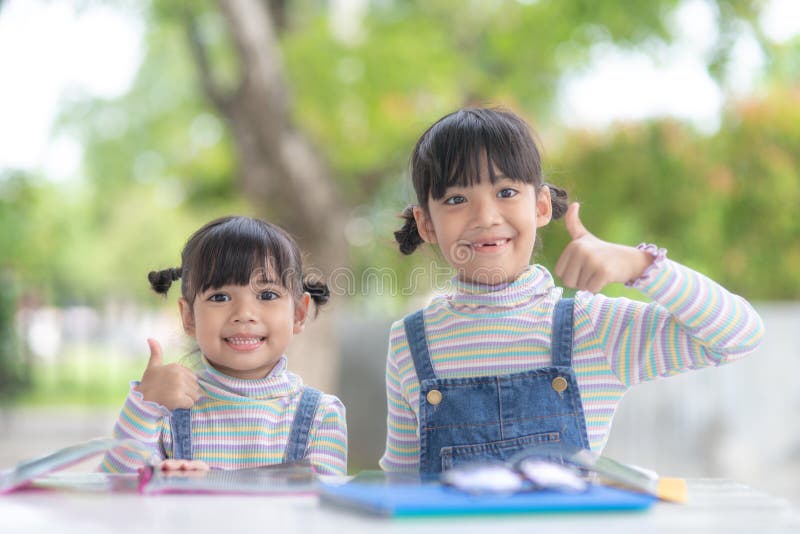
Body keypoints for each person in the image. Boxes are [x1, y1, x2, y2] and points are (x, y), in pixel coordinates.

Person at [381, 107, 764, 474]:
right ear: (426, 223)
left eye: (507, 192)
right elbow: (399, 483)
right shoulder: (409, 343)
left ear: (542, 206)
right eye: (456, 199)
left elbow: (738, 336)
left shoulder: (592, 326)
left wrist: (641, 266)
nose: (486, 217)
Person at [100, 216, 347, 475]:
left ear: (298, 313)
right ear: (189, 317)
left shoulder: (321, 417)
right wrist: (144, 405)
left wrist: (212, 482)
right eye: (220, 297)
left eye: (267, 295)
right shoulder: (165, 412)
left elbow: (324, 509)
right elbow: (114, 492)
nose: (244, 313)